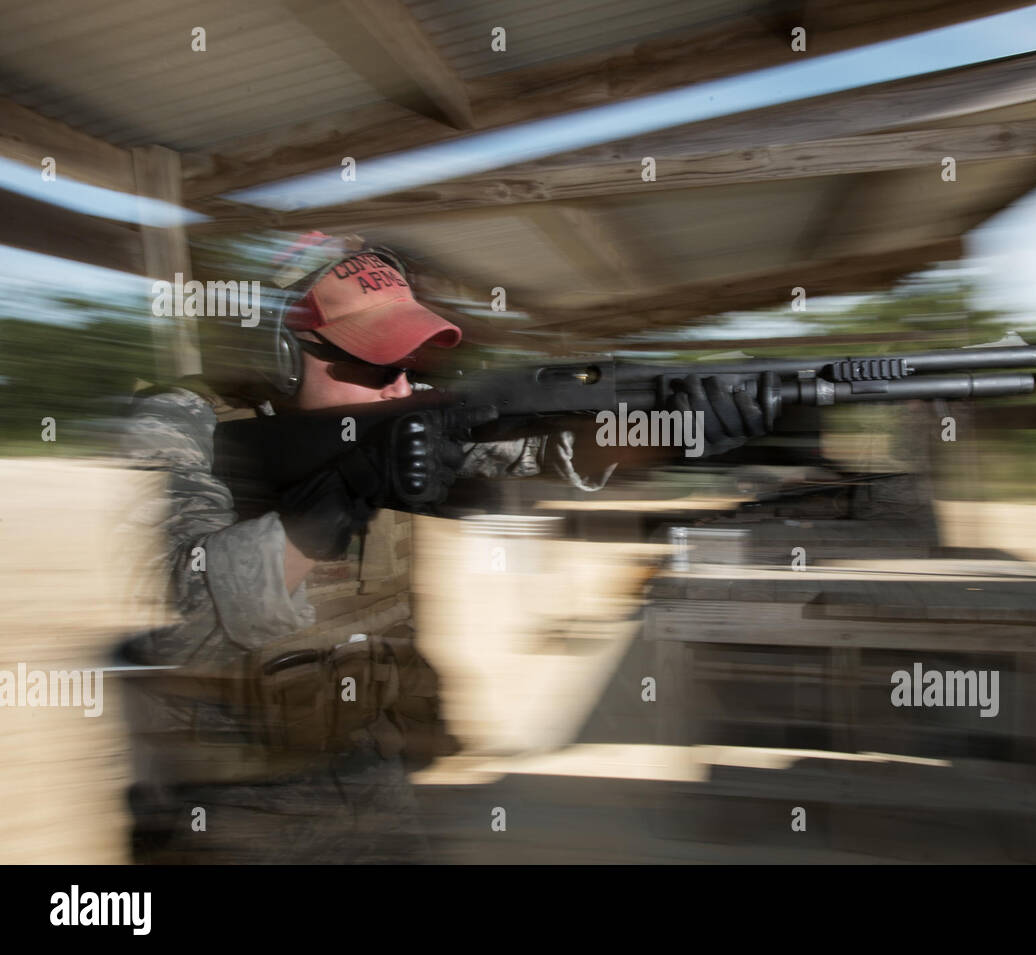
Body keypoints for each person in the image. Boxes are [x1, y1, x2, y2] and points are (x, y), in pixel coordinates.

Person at [118, 232, 770, 863]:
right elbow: (197, 604)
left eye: (411, 364)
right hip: (231, 806)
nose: (400, 386)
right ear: (282, 353)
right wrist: (344, 493)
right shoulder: (185, 425)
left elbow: (548, 450)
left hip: (371, 773)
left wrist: (676, 425)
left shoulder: (399, 422)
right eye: (375, 361)